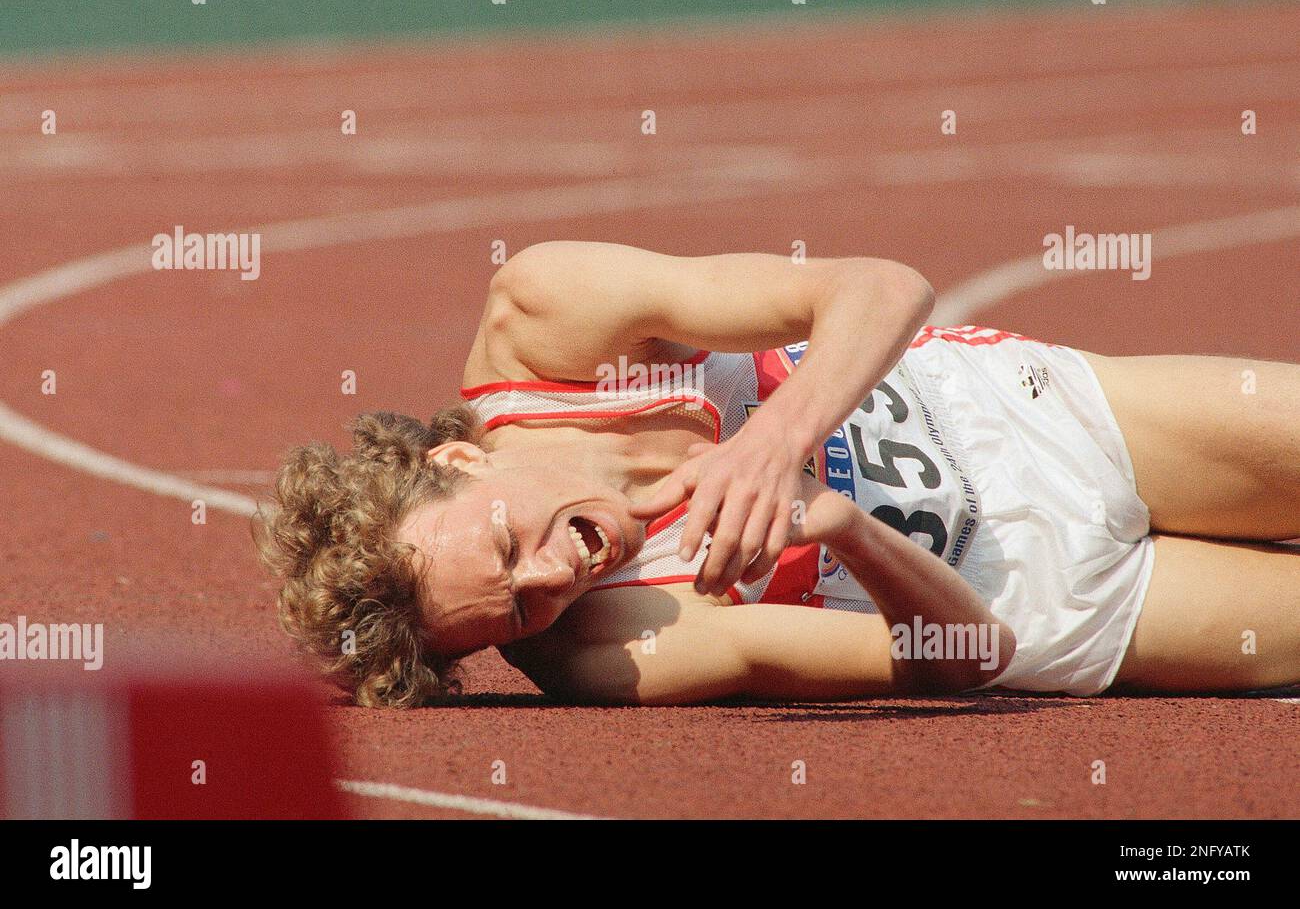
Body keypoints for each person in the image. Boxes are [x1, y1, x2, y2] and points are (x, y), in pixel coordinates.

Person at [256, 241, 1300, 707]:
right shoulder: (611, 649)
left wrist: (770, 438)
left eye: (504, 547)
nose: (549, 580)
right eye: (518, 617)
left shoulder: (543, 323)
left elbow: (879, 286)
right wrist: (844, 528)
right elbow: (971, 657)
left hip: (1050, 422)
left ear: (456, 456)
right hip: (1072, 603)